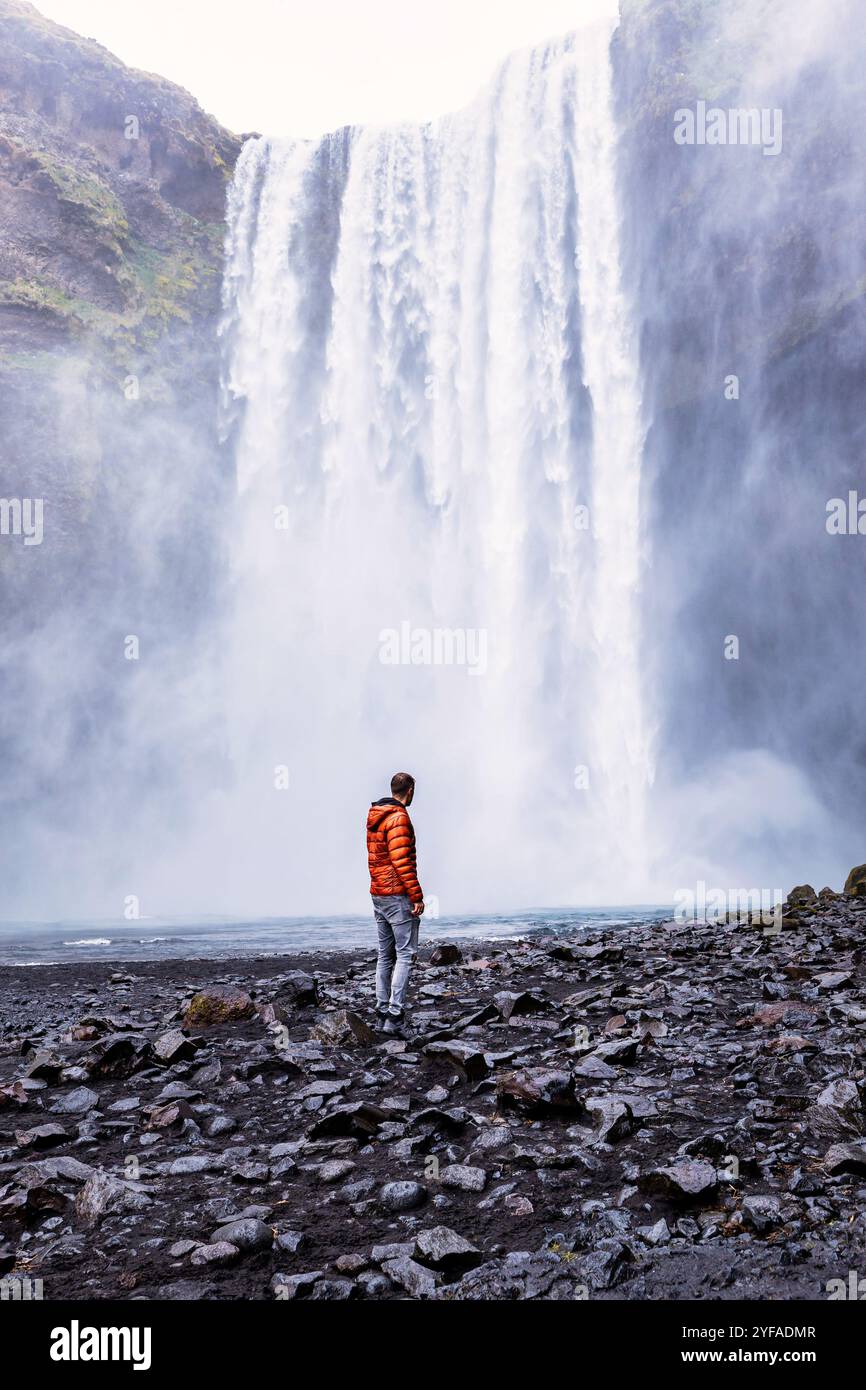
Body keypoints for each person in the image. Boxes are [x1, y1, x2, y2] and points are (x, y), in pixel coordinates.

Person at [366, 772, 424, 1035]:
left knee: (384, 955)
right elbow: (401, 861)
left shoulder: (375, 815)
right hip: (396, 895)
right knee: (405, 954)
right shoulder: (399, 818)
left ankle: (381, 1014)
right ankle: (395, 1015)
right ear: (409, 790)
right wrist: (416, 896)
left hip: (378, 893)